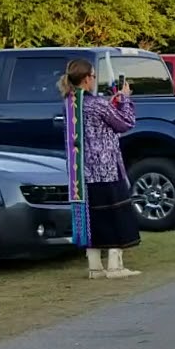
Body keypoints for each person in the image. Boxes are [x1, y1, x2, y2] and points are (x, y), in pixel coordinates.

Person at [61, 58, 140, 279]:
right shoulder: (96, 104)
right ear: (87, 79)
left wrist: (112, 103)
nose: (94, 80)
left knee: (93, 219)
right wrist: (124, 99)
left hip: (82, 172)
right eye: (93, 76)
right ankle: (115, 266)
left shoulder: (70, 103)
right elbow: (125, 123)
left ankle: (95, 267)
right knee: (116, 215)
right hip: (106, 169)